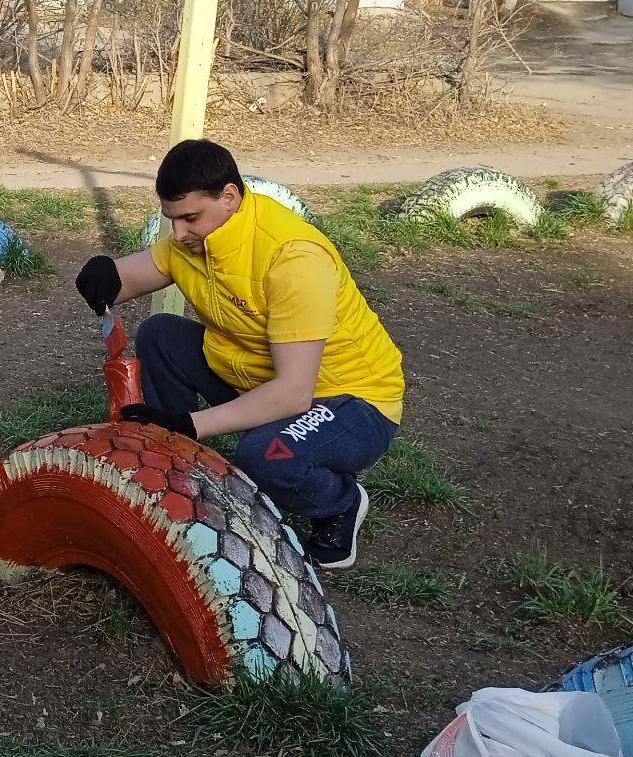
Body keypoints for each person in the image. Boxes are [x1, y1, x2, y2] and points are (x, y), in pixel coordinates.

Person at [75, 139, 404, 570]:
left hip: (348, 399)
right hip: (260, 377)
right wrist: (105, 277)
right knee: (160, 333)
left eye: (190, 218)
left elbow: (292, 394)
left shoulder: (293, 258)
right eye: (171, 219)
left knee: (263, 457)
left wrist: (190, 423)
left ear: (229, 196)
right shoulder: (196, 238)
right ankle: (175, 470)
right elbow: (138, 273)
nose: (178, 233)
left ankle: (339, 502)